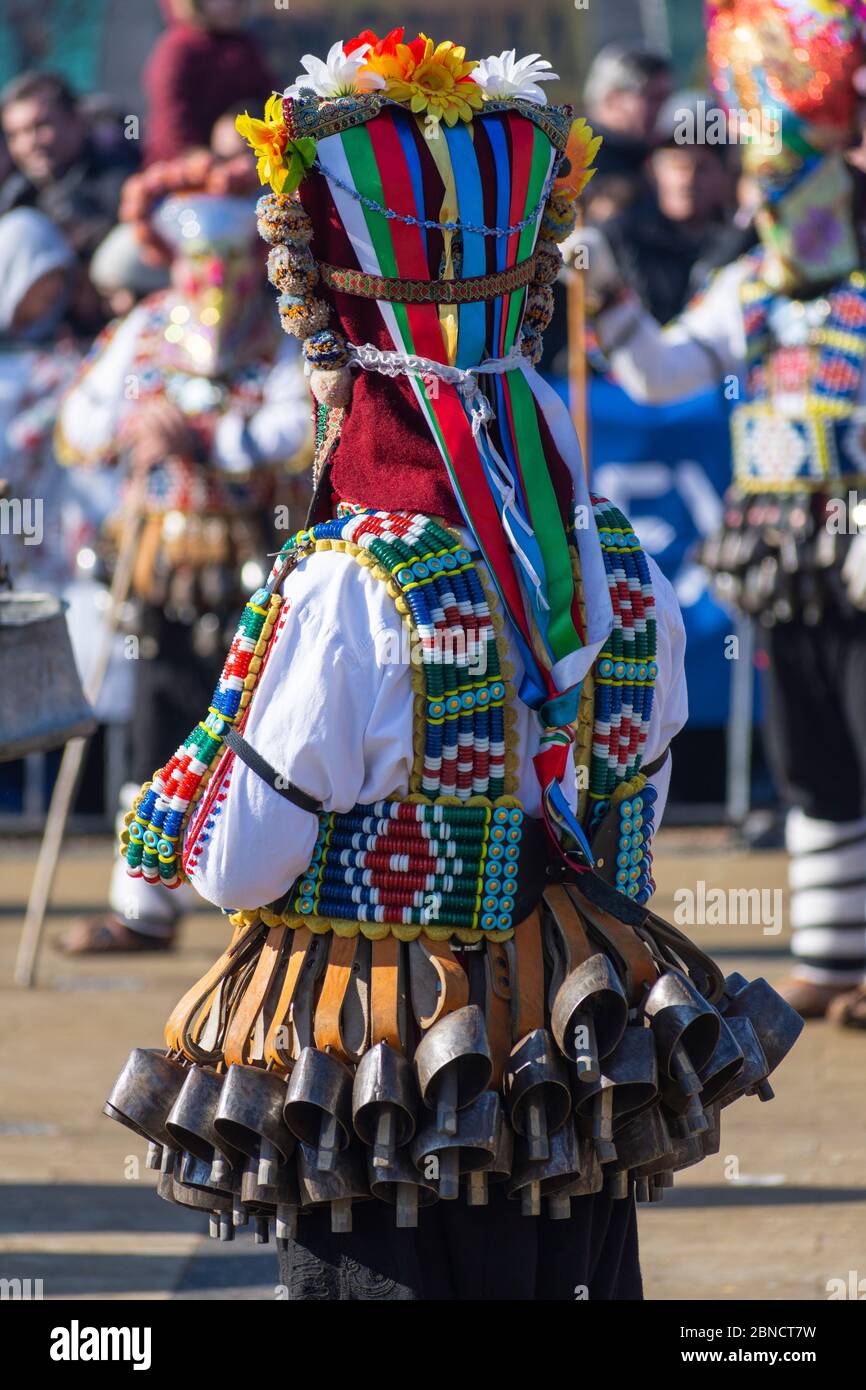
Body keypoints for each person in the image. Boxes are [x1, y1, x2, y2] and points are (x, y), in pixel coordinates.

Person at [102, 27, 800, 1302]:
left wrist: (169, 817)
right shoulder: (616, 567)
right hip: (581, 1054)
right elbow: (623, 818)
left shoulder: (347, 583)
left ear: (344, 344)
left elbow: (238, 859)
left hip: (389, 1072)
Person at [568, 0, 866, 1025]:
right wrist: (604, 294)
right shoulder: (745, 289)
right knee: (809, 748)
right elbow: (657, 377)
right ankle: (830, 955)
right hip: (782, 550)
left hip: (858, 533)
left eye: (775, 176)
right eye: (755, 180)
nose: (758, 197)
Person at [54, 150, 311, 955]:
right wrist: (137, 427)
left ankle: (275, 894)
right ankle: (144, 902)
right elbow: (82, 422)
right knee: (158, 726)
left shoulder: (281, 335)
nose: (213, 280)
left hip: (254, 558)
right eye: (200, 262)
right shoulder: (143, 329)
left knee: (266, 724)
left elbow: (297, 428)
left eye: (229, 263)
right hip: (157, 557)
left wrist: (204, 435)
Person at [0, 207, 81, 593]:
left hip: (44, 534)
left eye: (57, 282)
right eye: (41, 280)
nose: (52, 295)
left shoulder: (62, 356)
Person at [603, 92, 735, 323]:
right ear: (652, 169)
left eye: (702, 167)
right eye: (677, 165)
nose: (688, 180)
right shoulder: (615, 240)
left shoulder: (742, 246)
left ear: (725, 175)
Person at [143, 0, 274, 164]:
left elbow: (269, 100)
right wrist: (198, 158)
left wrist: (242, 123)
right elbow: (171, 120)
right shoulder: (177, 49)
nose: (228, 5)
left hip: (244, 167)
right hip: (181, 170)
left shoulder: (247, 48)